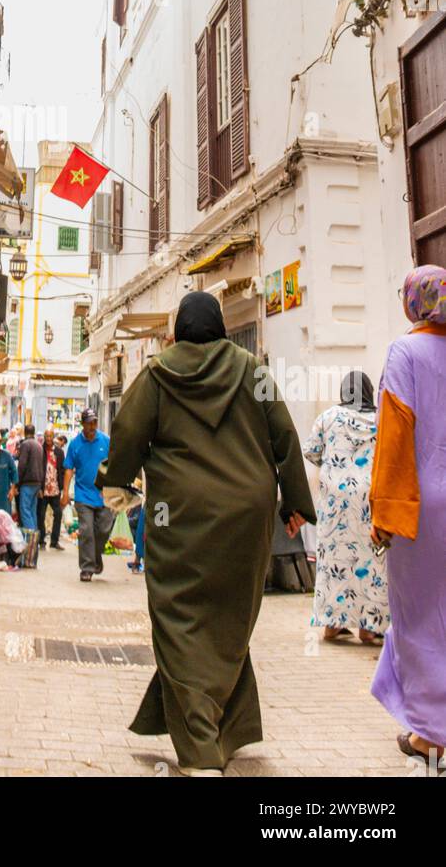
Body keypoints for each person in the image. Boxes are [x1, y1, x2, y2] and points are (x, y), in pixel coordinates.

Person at [97, 291, 315, 776]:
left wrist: (114, 482)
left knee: (179, 620)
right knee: (229, 620)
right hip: (247, 517)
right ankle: (227, 730)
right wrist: (296, 504)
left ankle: (199, 751)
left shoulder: (157, 374)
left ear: (178, 328)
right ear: (218, 325)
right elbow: (284, 435)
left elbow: (128, 434)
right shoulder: (252, 371)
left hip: (177, 516)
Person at [370, 265, 446, 767]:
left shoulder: (405, 352)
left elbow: (394, 438)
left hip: (422, 507)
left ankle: (431, 732)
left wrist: (385, 513)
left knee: (418, 620)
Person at [303, 371, 388, 645]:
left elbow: (311, 451)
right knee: (373, 562)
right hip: (372, 499)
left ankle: (332, 625)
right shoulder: (381, 418)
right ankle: (370, 628)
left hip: (335, 500)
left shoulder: (329, 418)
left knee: (336, 560)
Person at [60, 408, 113, 582]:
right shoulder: (75, 444)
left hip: (104, 494)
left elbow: (115, 463)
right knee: (86, 530)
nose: (92, 426)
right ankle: (87, 568)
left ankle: (95, 556)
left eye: (94, 422)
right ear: (82, 424)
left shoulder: (106, 441)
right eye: (89, 422)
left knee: (104, 529)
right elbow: (69, 469)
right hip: (83, 495)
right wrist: (65, 493)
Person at [37, 425, 66, 550]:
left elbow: (63, 470)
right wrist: (39, 487)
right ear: (44, 437)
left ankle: (54, 541)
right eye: (46, 436)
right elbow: (37, 470)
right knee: (41, 515)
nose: (48, 438)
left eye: (50, 436)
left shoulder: (59, 452)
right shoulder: (40, 450)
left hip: (55, 489)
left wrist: (63, 488)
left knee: (58, 514)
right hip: (43, 489)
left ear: (53, 437)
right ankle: (41, 540)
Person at [16, 423, 43, 533]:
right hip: (37, 483)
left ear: (25, 432)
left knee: (25, 511)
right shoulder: (39, 445)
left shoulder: (25, 444)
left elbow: (22, 465)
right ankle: (34, 544)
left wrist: (17, 482)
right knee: (32, 512)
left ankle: (30, 540)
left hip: (27, 482)